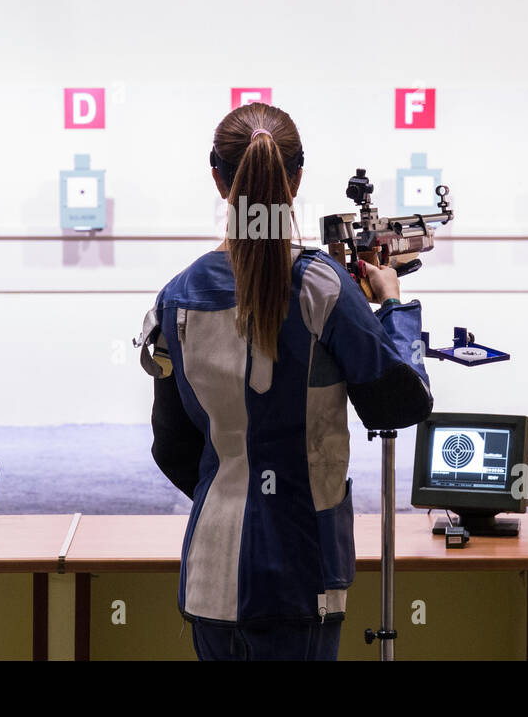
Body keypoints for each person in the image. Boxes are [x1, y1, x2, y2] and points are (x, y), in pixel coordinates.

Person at [135, 102, 434, 660]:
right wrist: (395, 307)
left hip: (211, 575)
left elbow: (172, 446)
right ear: (295, 180)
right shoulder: (322, 287)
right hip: (303, 570)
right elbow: (399, 402)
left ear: (218, 178)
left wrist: (234, 490)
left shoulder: (175, 297)